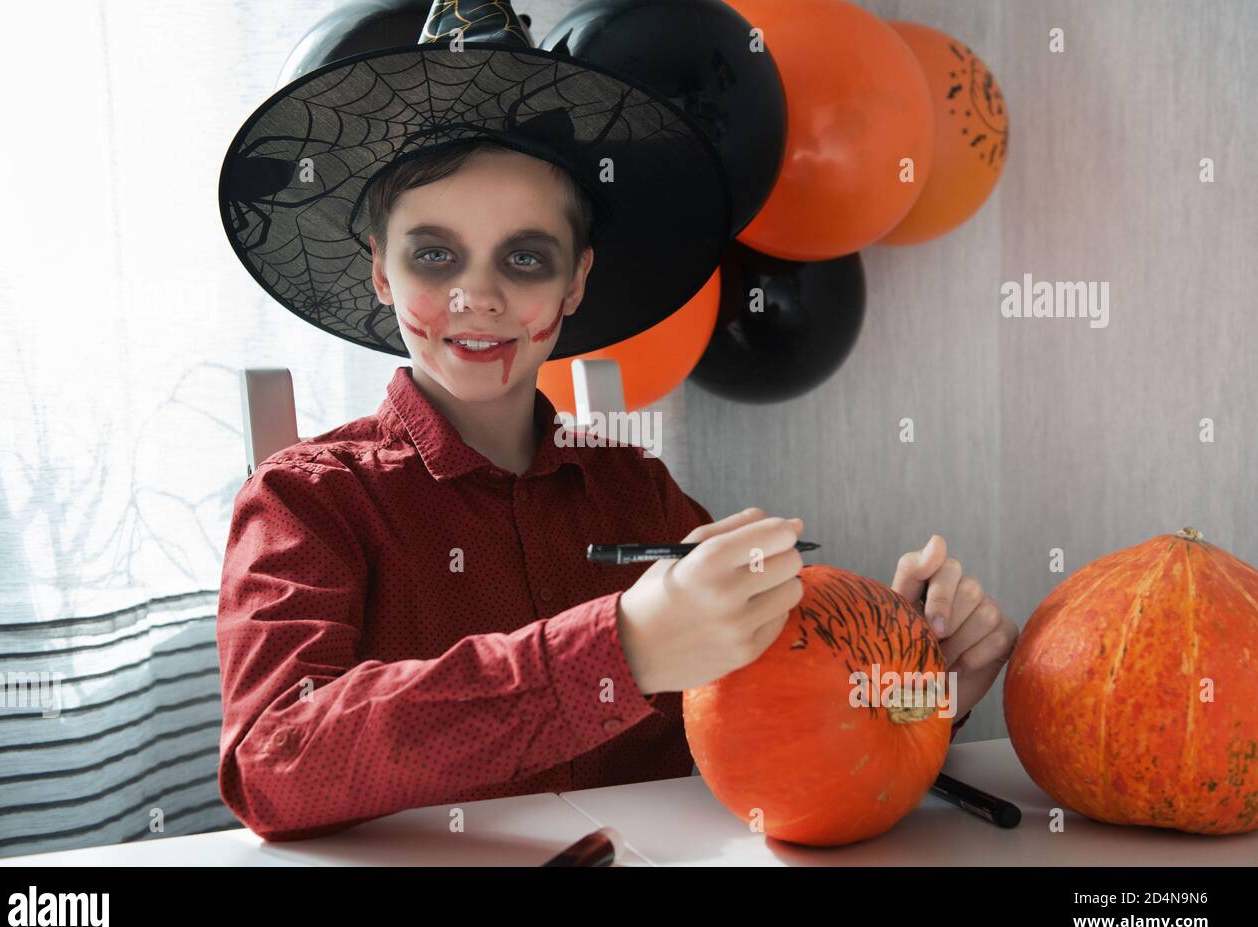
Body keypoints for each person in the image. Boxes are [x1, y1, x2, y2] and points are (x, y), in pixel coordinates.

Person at [214, 0, 1015, 842]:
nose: (476, 296)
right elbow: (274, 762)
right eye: (434, 255)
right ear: (380, 272)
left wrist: (923, 685)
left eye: (526, 258)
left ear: (574, 285)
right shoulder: (307, 503)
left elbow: (774, 713)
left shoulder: (639, 495)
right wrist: (620, 648)